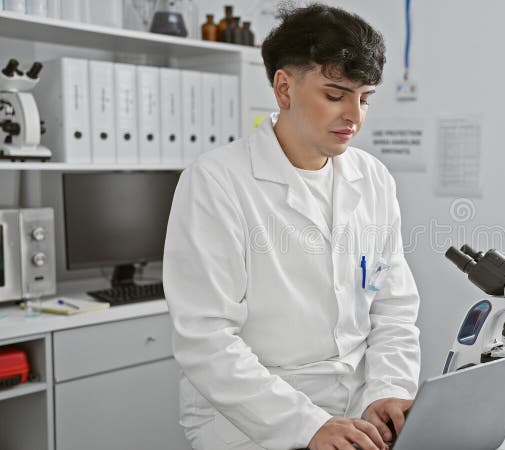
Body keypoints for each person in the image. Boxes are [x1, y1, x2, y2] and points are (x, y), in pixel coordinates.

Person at [163, 4, 421, 450]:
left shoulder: (374, 178)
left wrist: (388, 391)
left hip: (357, 411)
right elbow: (205, 339)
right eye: (336, 95)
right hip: (252, 422)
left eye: (365, 98)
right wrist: (307, 426)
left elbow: (393, 307)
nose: (354, 117)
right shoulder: (216, 181)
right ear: (284, 87)